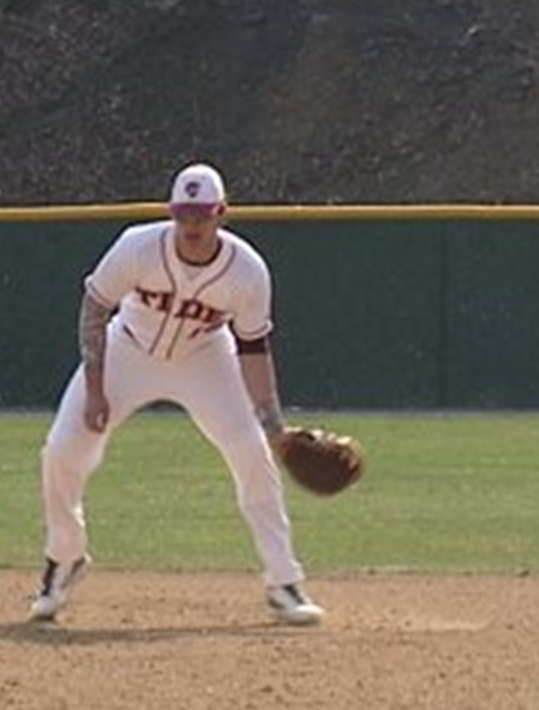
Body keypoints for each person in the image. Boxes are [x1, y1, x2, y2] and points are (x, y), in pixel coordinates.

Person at [33, 161, 324, 626]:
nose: (191, 225)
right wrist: (95, 388)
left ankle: (284, 581)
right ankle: (64, 557)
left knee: (252, 453)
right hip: (128, 347)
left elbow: (252, 345)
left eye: (201, 215)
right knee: (62, 449)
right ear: (172, 212)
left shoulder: (246, 270)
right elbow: (95, 308)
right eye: (184, 214)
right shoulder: (139, 246)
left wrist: (273, 425)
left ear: (221, 214)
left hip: (205, 358)